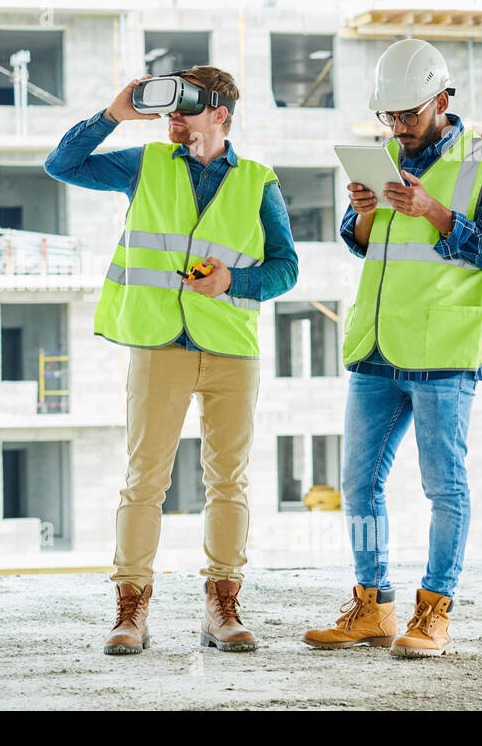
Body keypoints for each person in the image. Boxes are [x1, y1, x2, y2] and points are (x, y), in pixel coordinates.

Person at [44, 66, 298, 655]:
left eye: (187, 108)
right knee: (144, 482)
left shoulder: (259, 182)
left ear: (221, 116)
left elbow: (286, 268)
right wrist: (112, 116)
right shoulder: (146, 164)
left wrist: (236, 279)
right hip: (159, 345)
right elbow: (62, 165)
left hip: (231, 348)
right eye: (169, 108)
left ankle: (221, 605)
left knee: (228, 483)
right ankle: (130, 611)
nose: (173, 118)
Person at [302, 38, 482, 658]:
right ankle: (372, 608)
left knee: (443, 487)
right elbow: (362, 243)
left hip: (442, 352)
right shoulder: (387, 156)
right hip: (376, 348)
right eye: (389, 117)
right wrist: (364, 212)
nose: (399, 127)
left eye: (409, 115)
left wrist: (432, 210)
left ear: (442, 99)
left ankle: (435, 613)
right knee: (359, 483)